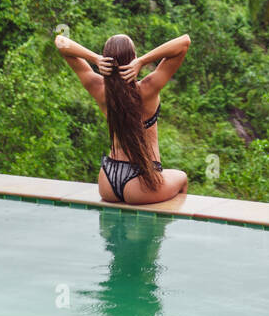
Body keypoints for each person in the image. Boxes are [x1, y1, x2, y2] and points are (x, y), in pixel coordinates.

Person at [55, 30, 190, 205]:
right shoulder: (148, 88)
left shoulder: (98, 89)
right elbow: (184, 42)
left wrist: (95, 58)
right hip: (142, 181)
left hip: (108, 180)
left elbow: (60, 42)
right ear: (133, 57)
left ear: (106, 60)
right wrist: (142, 61)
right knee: (182, 178)